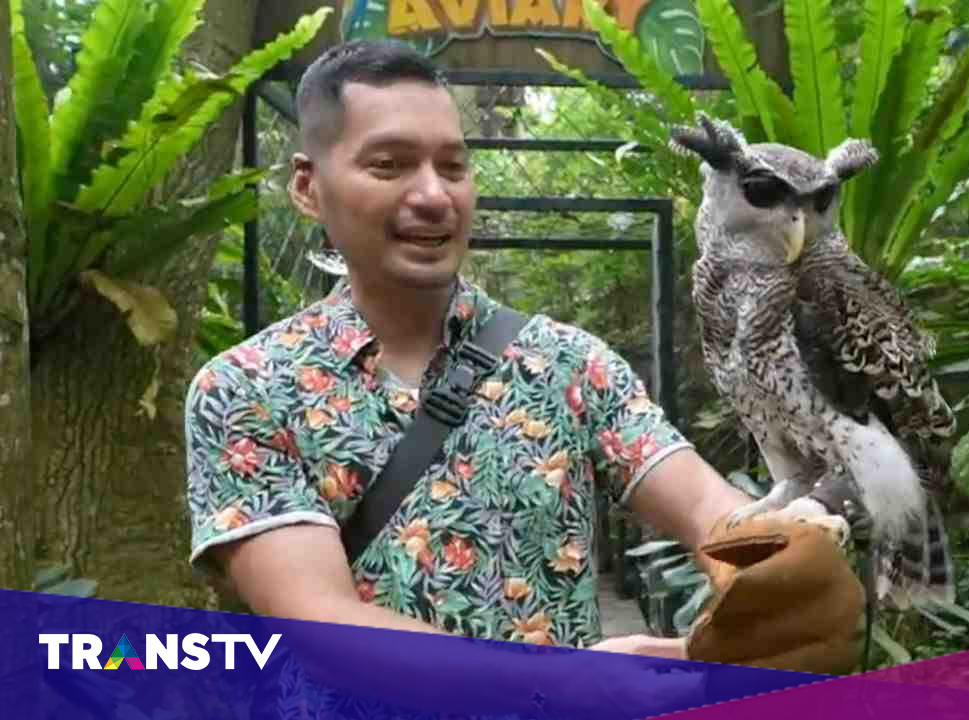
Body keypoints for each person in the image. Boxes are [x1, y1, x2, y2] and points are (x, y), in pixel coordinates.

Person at [183, 38, 862, 718]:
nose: (433, 195)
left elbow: (713, 515)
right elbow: (320, 624)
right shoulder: (246, 390)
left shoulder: (570, 365)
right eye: (389, 165)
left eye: (453, 167)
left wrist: (774, 570)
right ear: (308, 186)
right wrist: (566, 682)